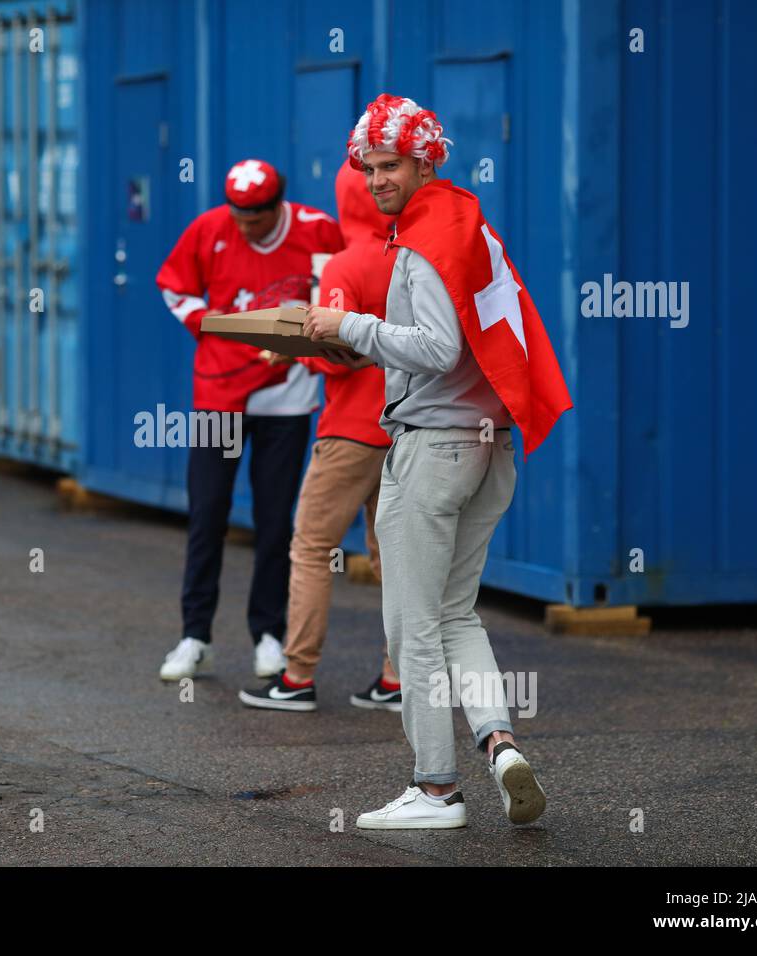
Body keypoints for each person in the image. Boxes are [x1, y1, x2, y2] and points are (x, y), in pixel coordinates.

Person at [305, 95, 572, 828]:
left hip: (434, 450)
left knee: (411, 628)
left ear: (427, 159)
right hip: (490, 447)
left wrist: (346, 325)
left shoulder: (421, 239)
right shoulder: (467, 222)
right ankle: (500, 742)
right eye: (367, 167)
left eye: (389, 166)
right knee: (457, 614)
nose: (376, 180)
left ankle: (435, 790)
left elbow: (435, 347)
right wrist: (361, 337)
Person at [156, 159, 343, 682]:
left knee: (275, 519)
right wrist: (208, 324)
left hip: (285, 397)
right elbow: (174, 285)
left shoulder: (315, 228)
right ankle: (195, 635)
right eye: (238, 214)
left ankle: (268, 634)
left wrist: (307, 340)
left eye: (255, 217)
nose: (244, 225)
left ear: (276, 206)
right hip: (218, 394)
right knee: (206, 515)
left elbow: (337, 290)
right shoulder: (210, 227)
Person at [238, 160, 400, 713]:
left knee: (310, 548)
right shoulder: (415, 259)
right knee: (392, 558)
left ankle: (298, 676)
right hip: (405, 428)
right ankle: (397, 677)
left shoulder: (344, 264)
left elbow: (340, 355)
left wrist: (291, 346)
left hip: (350, 431)